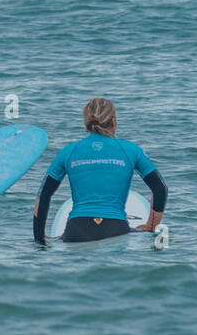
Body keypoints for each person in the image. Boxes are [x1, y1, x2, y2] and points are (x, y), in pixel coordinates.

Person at [33, 98, 166, 244]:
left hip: (76, 230)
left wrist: (40, 238)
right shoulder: (130, 150)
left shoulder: (69, 151)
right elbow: (160, 188)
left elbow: (43, 194)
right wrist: (151, 226)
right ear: (114, 122)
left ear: (86, 124)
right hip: (115, 229)